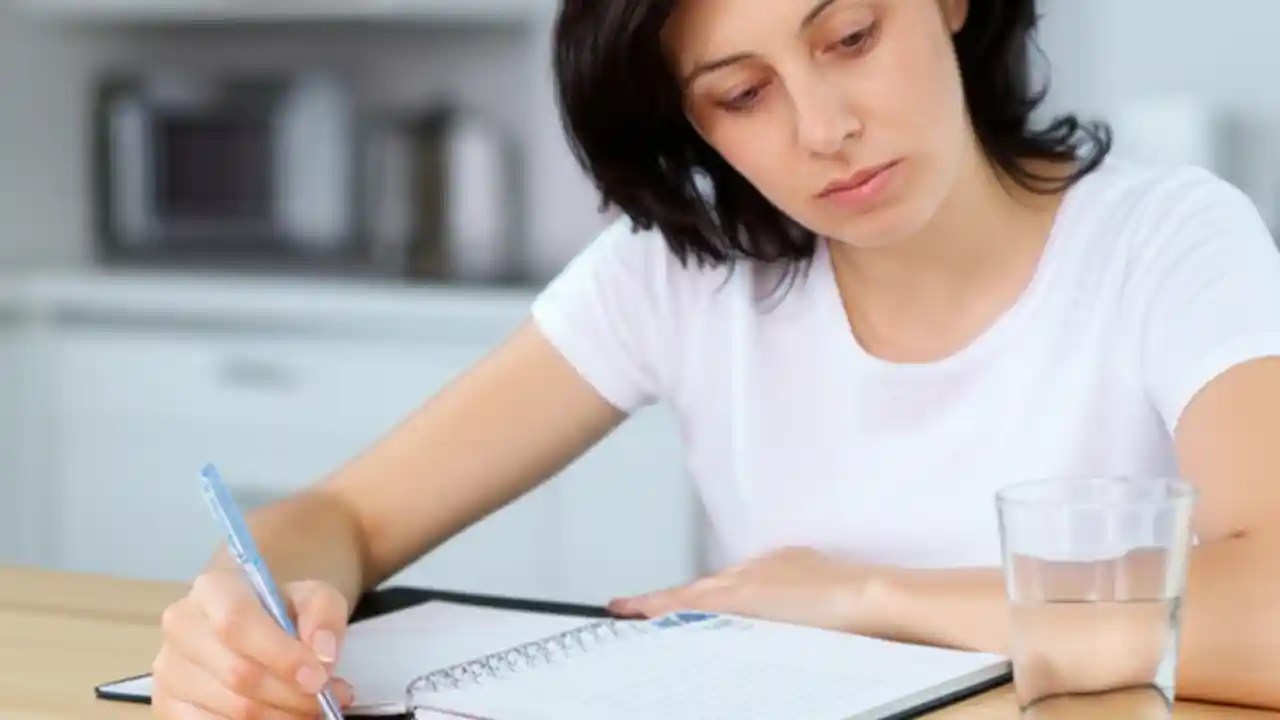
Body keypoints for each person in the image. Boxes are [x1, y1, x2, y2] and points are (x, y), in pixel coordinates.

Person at [150, 0, 1280, 717]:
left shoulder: (1165, 238)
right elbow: (343, 515)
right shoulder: (677, 272)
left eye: (848, 37)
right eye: (741, 95)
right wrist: (232, 612)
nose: (822, 125)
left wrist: (867, 596)